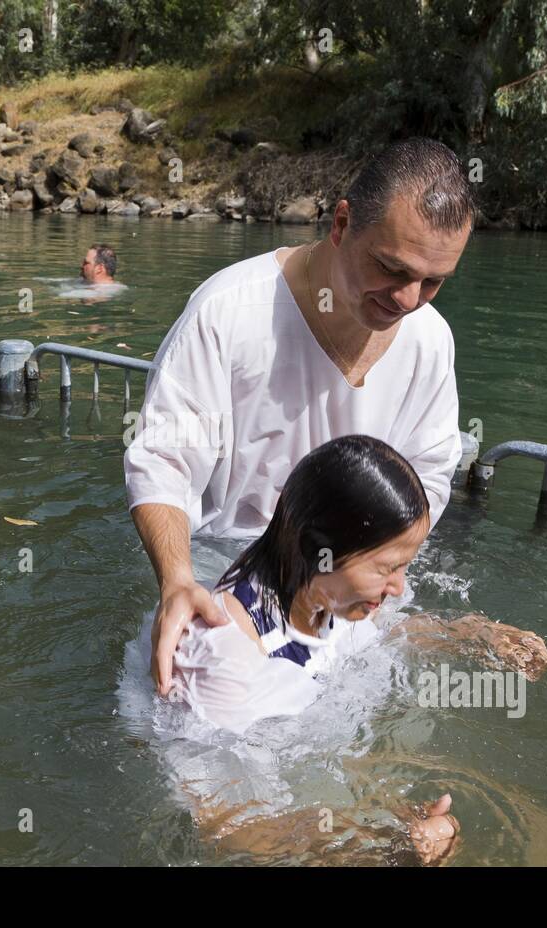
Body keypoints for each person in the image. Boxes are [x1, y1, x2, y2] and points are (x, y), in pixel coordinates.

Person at [124, 138, 475, 697]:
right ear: (341, 222)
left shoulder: (430, 340)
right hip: (233, 577)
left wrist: (378, 586)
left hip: (357, 589)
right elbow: (164, 459)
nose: (409, 300)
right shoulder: (231, 313)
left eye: (433, 282)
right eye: (392, 269)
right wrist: (177, 579)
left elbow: (428, 474)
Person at [152, 434, 547, 863]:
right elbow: (225, 828)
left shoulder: (320, 597)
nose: (399, 587)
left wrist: (473, 634)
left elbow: (379, 638)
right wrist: (381, 841)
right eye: (387, 568)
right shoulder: (227, 657)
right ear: (318, 550)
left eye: (405, 566)